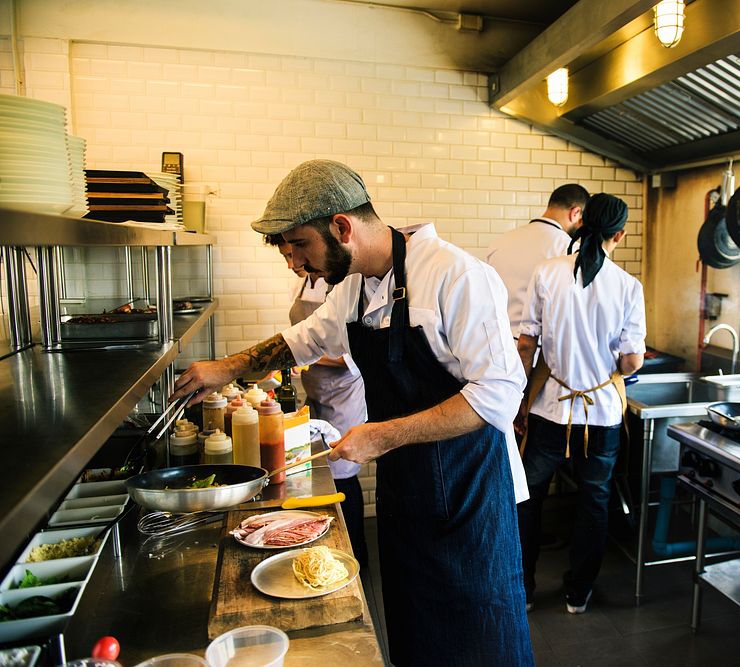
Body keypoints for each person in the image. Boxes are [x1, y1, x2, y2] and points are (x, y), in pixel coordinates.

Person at [171, 159, 533, 666]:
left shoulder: (458, 275)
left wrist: (384, 436)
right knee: (415, 629)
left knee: (480, 636)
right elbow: (304, 339)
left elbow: (498, 394)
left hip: (470, 492)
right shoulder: (354, 286)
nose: (295, 264)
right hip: (407, 493)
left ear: (341, 227)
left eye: (300, 246)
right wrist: (226, 368)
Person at [515, 193, 646, 615]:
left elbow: (526, 345)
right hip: (601, 414)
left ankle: (525, 589)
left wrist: (518, 400)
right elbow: (630, 361)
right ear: (619, 235)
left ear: (581, 224)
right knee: (594, 501)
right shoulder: (628, 286)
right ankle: (578, 593)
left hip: (550, 407)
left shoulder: (547, 273)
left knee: (530, 497)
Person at [265, 233, 369, 568]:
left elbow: (351, 356)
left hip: (343, 395)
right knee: (322, 470)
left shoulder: (340, 284)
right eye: (284, 257)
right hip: (316, 391)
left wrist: (304, 359)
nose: (292, 264)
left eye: (295, 253)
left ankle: (358, 555)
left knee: (342, 471)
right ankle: (329, 543)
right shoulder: (302, 285)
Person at [485, 184, 590, 339]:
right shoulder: (571, 250)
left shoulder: (499, 242)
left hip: (498, 343)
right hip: (539, 352)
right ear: (575, 213)